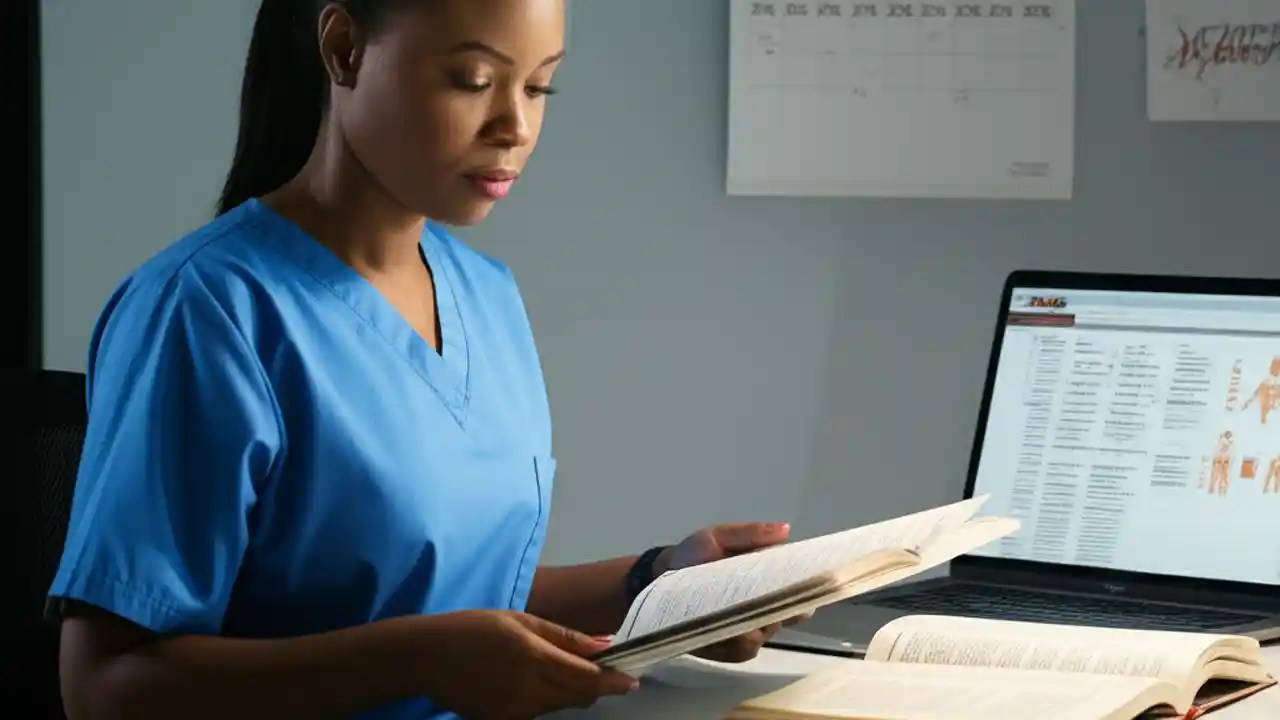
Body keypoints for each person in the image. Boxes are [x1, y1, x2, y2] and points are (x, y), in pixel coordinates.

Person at [45, 1, 806, 719]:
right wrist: (419, 664)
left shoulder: (486, 293)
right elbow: (107, 686)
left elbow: (437, 594)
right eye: (474, 81)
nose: (516, 126)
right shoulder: (206, 310)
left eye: (540, 86)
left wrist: (657, 580)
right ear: (344, 50)